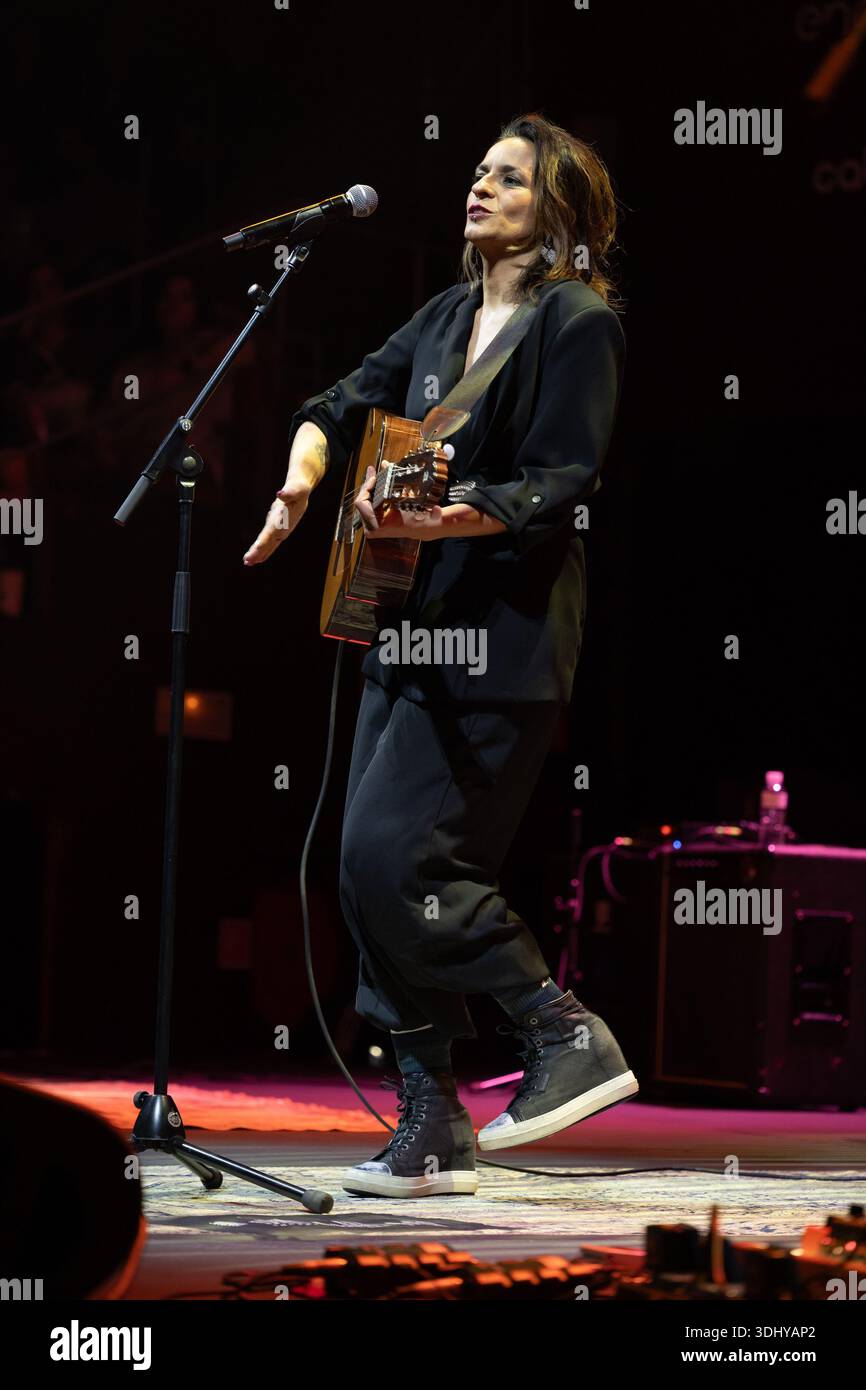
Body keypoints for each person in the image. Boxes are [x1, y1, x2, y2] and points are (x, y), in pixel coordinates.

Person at [244, 112, 638, 1198]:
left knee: (399, 858)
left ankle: (560, 1029)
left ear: (553, 210)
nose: (479, 189)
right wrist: (302, 475)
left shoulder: (576, 321)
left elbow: (556, 484)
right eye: (476, 174)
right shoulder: (444, 315)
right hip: (404, 633)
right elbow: (334, 402)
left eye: (507, 180)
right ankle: (432, 1122)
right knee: (361, 874)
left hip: (500, 648)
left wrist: (439, 518)